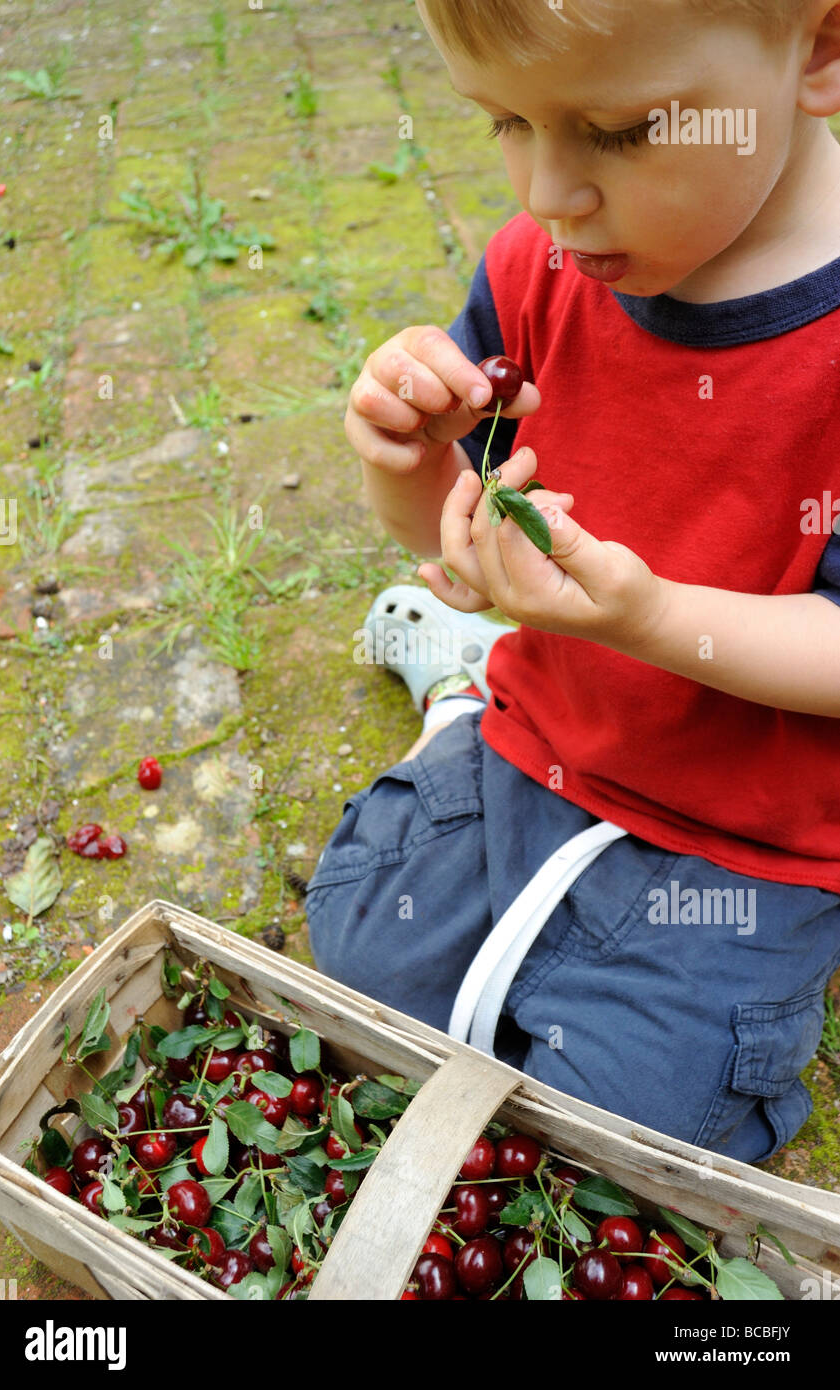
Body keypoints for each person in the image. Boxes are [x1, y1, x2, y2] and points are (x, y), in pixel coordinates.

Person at [306, 0, 840, 1163]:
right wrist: (404, 460)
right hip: (547, 736)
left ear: (819, 48)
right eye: (507, 120)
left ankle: (460, 700)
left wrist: (652, 619)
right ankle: (463, 695)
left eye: (623, 127)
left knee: (627, 1125)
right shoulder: (539, 268)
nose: (549, 190)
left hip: (742, 837)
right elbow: (457, 552)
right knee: (355, 941)